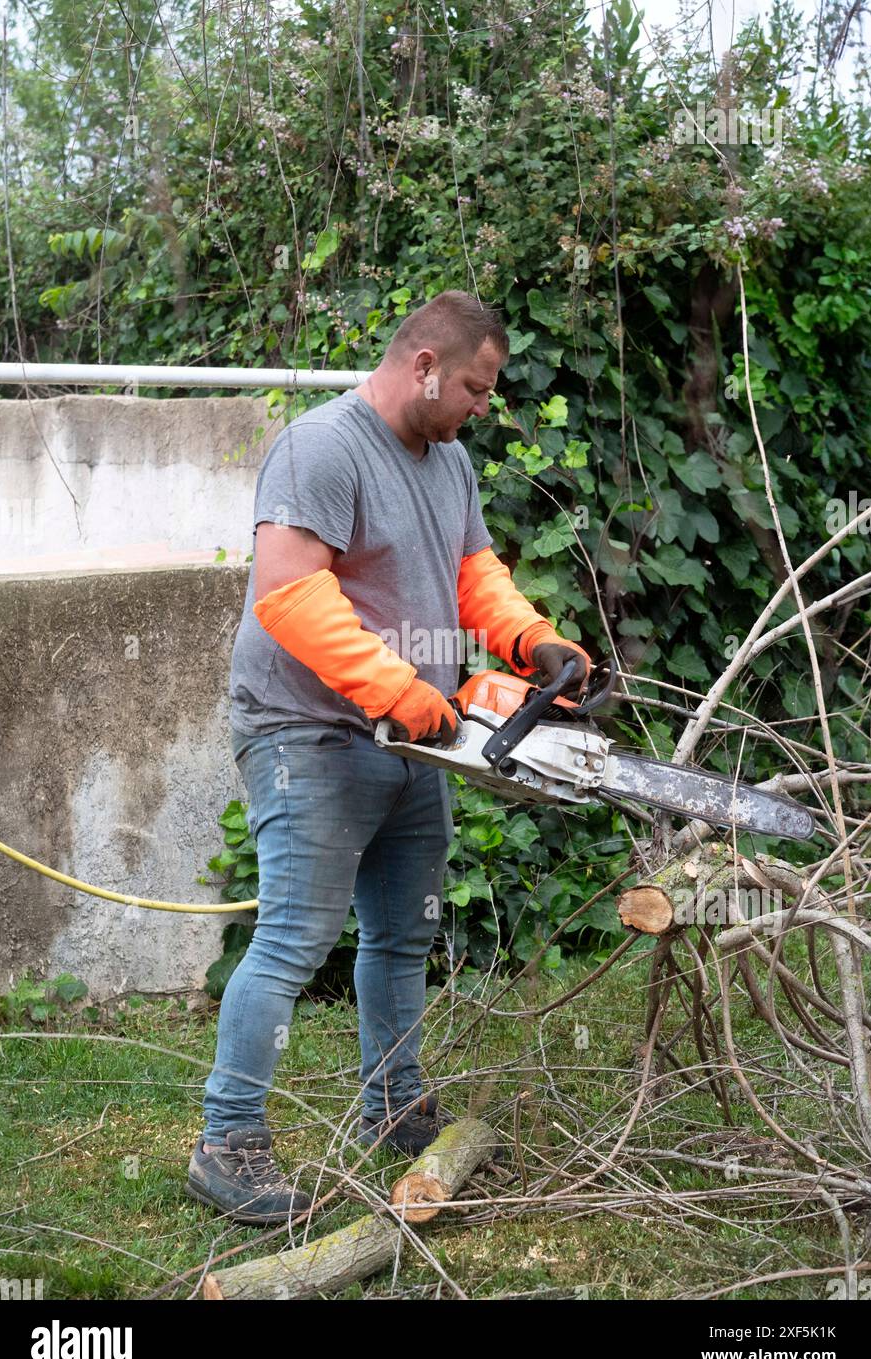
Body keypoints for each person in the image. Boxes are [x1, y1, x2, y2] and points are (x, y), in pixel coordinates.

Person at [186, 290, 591, 1225]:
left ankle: (394, 1108)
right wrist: (397, 689)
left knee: (403, 931)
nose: (483, 407)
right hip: (311, 731)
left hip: (416, 735)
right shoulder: (321, 447)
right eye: (475, 388)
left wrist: (529, 640)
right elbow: (289, 594)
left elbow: (469, 571)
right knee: (293, 938)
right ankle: (226, 1141)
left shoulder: (446, 460)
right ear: (422, 366)